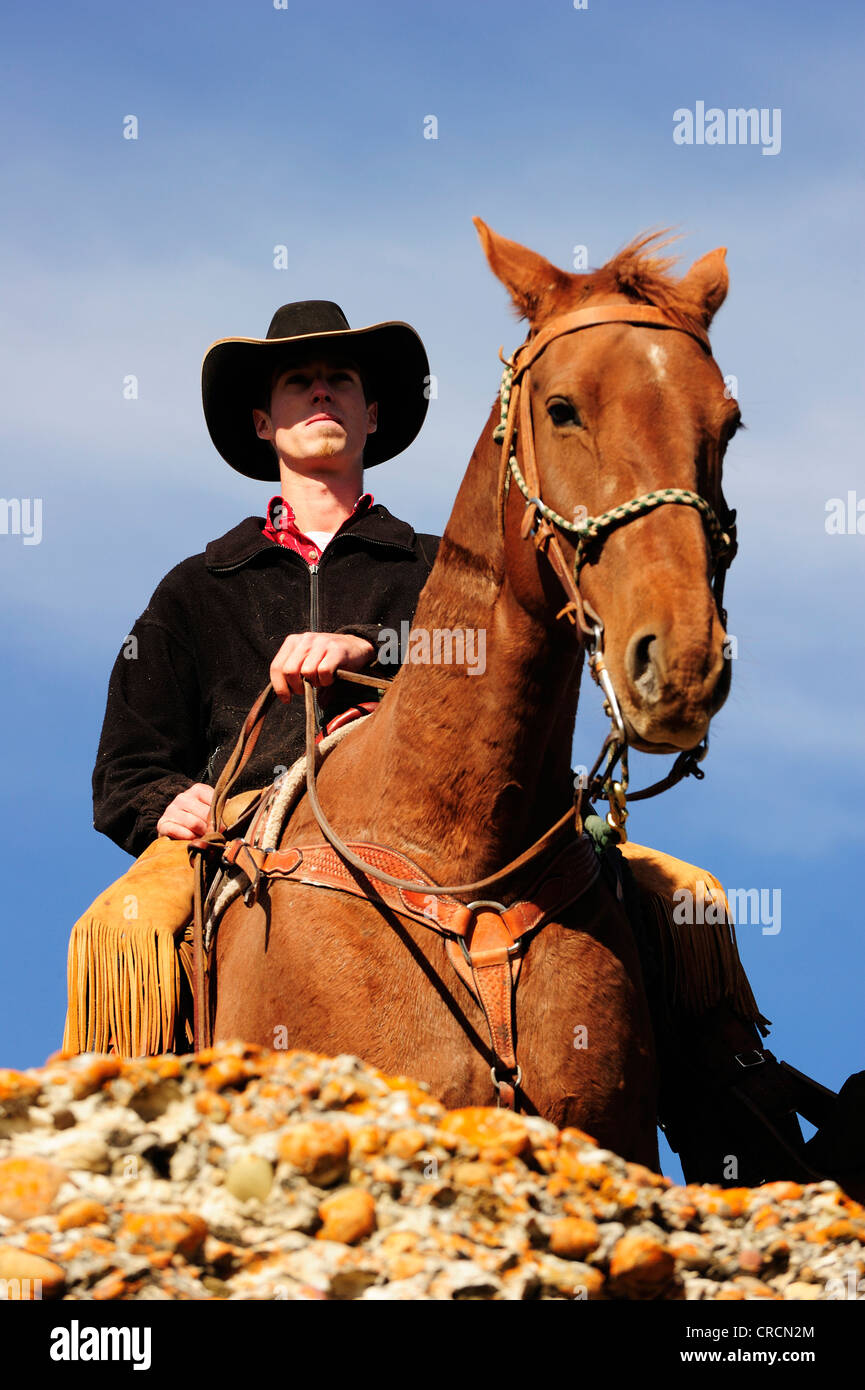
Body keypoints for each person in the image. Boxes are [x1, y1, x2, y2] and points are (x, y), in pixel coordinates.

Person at [64, 300, 440, 1055]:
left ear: (371, 414)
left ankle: (733, 1084)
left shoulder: (439, 565)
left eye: (340, 379)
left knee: (663, 896)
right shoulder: (196, 587)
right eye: (299, 380)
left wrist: (367, 645)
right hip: (243, 823)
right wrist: (165, 806)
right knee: (115, 930)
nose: (322, 392)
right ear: (264, 423)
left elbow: (494, 658)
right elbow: (129, 762)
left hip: (431, 812)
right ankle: (122, 1141)